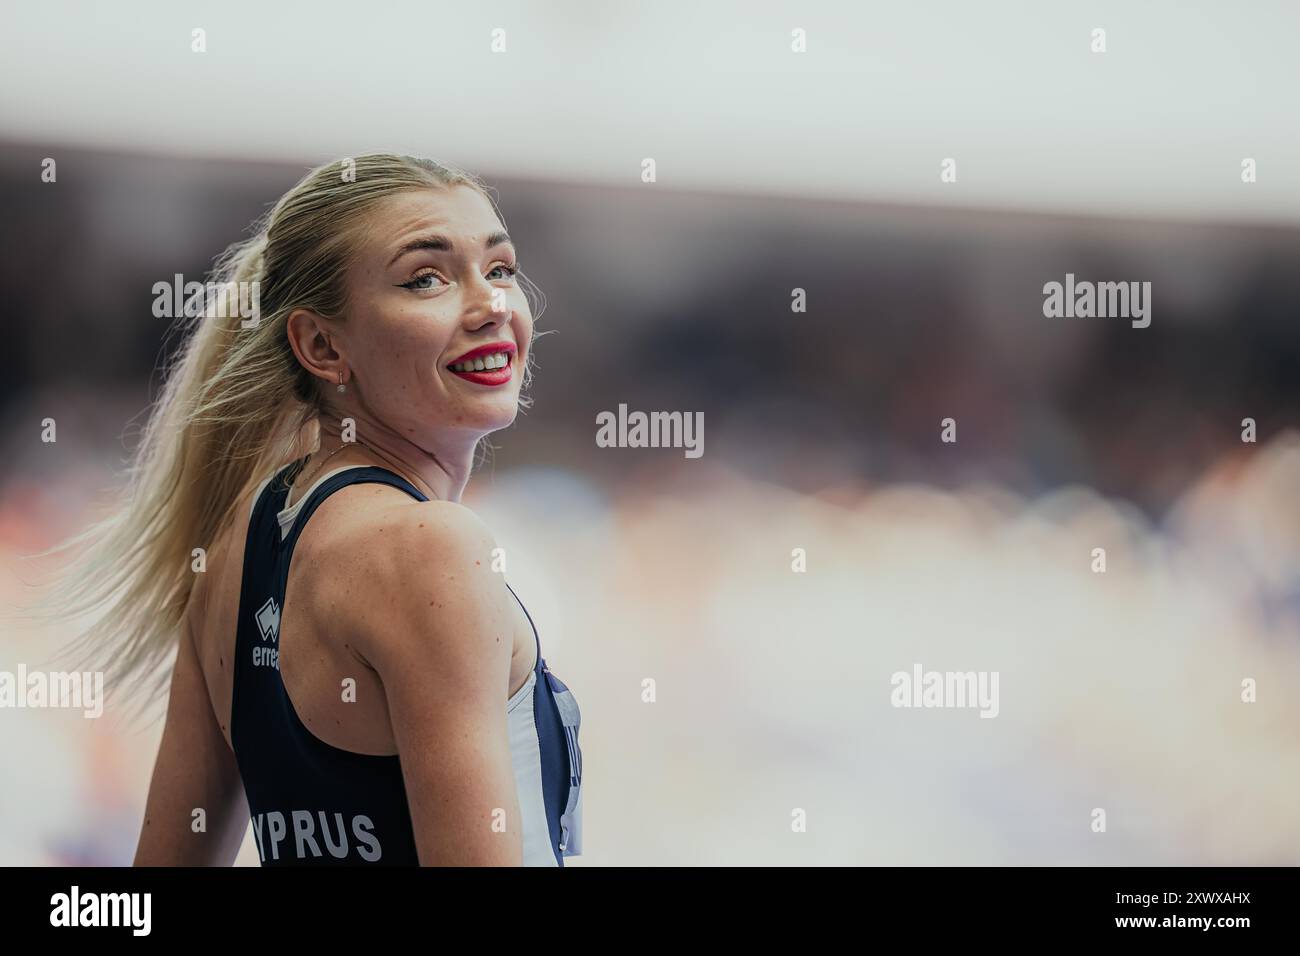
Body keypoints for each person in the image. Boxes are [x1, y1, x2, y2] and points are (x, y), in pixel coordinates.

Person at [43, 154, 582, 866]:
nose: (490, 306)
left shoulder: (240, 542)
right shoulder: (431, 549)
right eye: (427, 278)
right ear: (322, 346)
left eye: (501, 269)